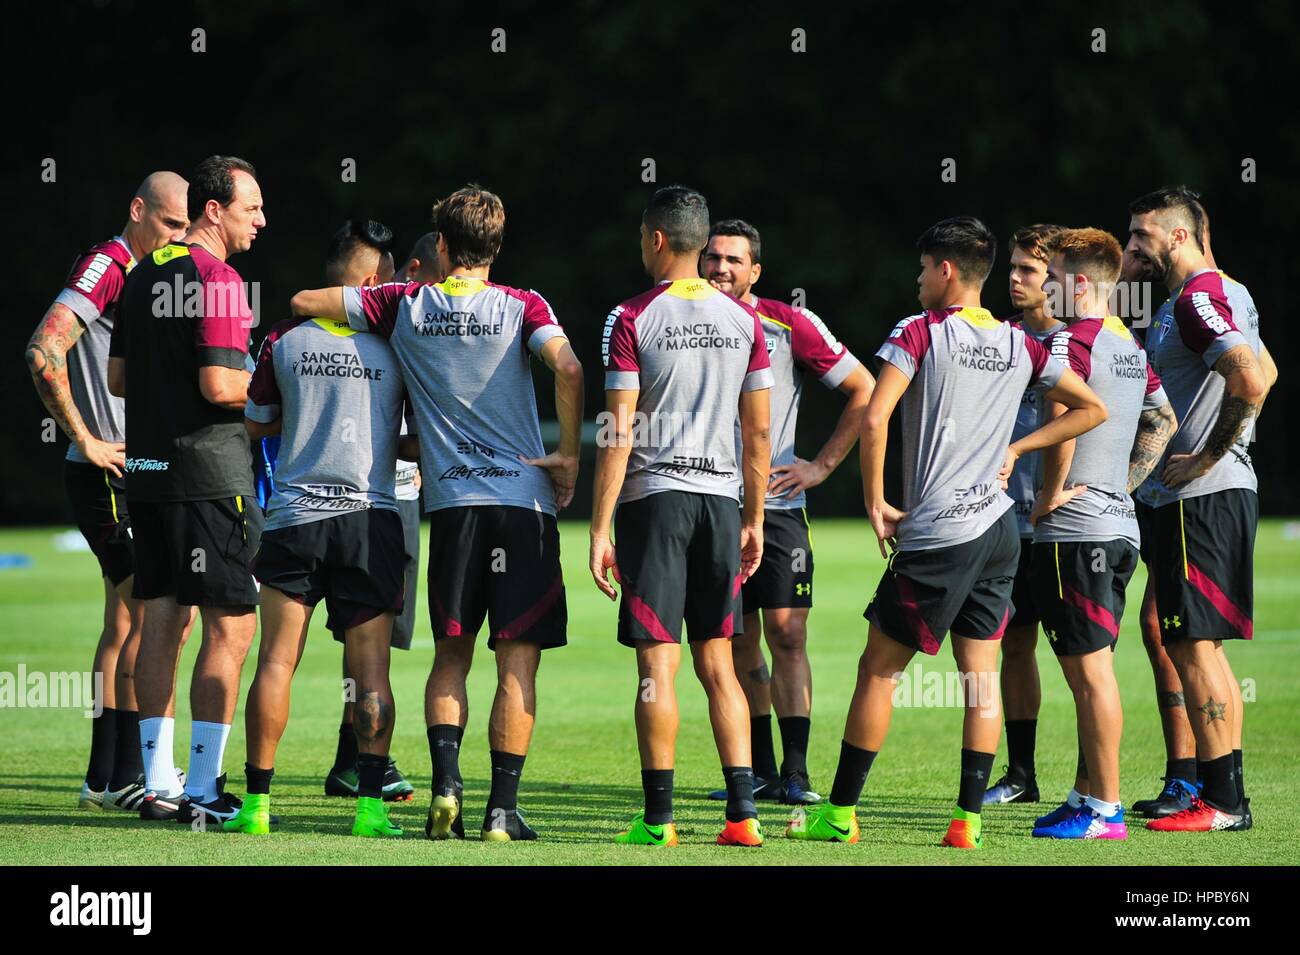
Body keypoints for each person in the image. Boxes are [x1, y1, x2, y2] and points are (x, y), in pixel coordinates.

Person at [786, 217, 1106, 848]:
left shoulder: (921, 331)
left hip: (940, 532)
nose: (918, 279)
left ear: (947, 272)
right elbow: (1091, 409)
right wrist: (1019, 447)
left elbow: (875, 416)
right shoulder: (1024, 344)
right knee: (981, 675)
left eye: (924, 268)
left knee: (878, 669)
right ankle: (968, 822)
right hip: (999, 530)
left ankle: (840, 814)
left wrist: (876, 500)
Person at [290, 185, 584, 842]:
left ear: (442, 246)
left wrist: (364, 303)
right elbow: (568, 366)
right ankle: (502, 810)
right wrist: (567, 456)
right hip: (521, 506)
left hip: (452, 507)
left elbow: (305, 303)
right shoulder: (521, 305)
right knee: (517, 663)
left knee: (450, 652)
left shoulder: (403, 303)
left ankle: (446, 784)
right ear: (496, 248)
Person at [591, 186, 774, 847]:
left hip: (655, 502)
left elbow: (618, 430)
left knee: (656, 669)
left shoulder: (632, 317)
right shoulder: (745, 321)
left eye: (643, 237)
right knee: (719, 664)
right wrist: (753, 517)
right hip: (722, 502)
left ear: (659, 240)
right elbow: (758, 435)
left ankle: (659, 819)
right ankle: (744, 816)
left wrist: (599, 526)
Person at [223, 219, 412, 838]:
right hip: (370, 519)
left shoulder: (284, 338)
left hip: (294, 520)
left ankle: (256, 807)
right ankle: (370, 810)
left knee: (276, 664)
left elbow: (256, 423)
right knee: (371, 673)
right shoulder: (397, 342)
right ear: (368, 281)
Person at [108, 155, 267, 823]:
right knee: (231, 626)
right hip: (210, 479)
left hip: (147, 475)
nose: (261, 219)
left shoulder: (141, 273)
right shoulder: (219, 279)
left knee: (163, 621)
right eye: (250, 207)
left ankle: (156, 781)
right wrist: (276, 400)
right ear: (213, 210)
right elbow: (220, 386)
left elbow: (117, 378)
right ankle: (203, 788)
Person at [25, 171, 190, 812]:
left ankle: (105, 777)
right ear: (137, 210)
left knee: (125, 621)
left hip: (137, 471)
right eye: (170, 225)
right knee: (151, 617)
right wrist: (87, 438)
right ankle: (134, 775)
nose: (177, 238)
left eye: (184, 228)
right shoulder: (110, 264)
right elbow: (45, 348)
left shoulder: (152, 273)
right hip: (106, 474)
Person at [700, 218, 873, 805]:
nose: (720, 268)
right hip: (711, 503)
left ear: (755, 271)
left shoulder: (787, 321)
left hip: (777, 508)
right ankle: (759, 769)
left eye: (732, 260)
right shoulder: (682, 317)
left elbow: (864, 387)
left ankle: (796, 772)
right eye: (712, 256)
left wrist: (821, 466)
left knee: (786, 633)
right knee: (737, 641)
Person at [1124, 186, 1268, 833]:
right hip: (1205, 497)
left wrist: (1208, 456)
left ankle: (1223, 803)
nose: (1133, 247)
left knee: (1191, 643)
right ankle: (1216, 791)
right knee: (1194, 642)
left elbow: (1250, 377)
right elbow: (1266, 366)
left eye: (1141, 235)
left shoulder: (1196, 299)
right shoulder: (1225, 291)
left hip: (1199, 499)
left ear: (1178, 236)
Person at [1026, 227, 1177, 839]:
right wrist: (1125, 483)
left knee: (1089, 674)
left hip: (1075, 533)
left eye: (1054, 276)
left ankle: (1105, 810)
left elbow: (1065, 414)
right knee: (1093, 667)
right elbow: (1161, 419)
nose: (1045, 287)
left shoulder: (1072, 338)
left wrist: (1046, 496)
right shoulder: (1131, 346)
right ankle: (1085, 793)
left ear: (1080, 283)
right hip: (1118, 527)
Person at [983, 224, 1063, 805]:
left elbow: (1141, 416)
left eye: (1027, 270)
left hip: (1066, 524)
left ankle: (1093, 788)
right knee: (1013, 644)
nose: (1013, 279)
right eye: (1010, 268)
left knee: (1087, 660)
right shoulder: (1000, 341)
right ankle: (1021, 775)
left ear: (1056, 279)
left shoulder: (1083, 344)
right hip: (1007, 524)